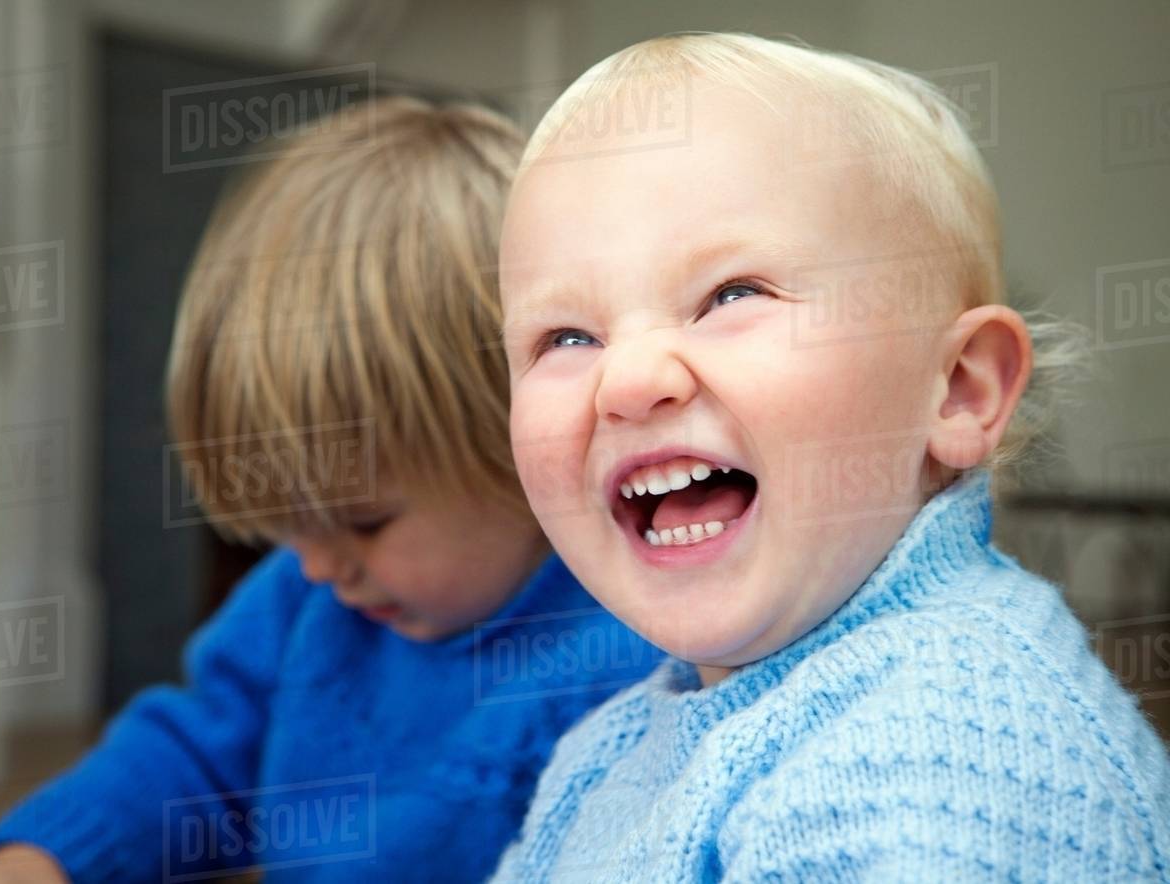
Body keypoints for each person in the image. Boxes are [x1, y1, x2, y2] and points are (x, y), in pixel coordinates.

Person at [492, 33, 1170, 881]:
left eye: (732, 295)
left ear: (958, 390)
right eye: (565, 337)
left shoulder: (934, 763)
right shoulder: (609, 749)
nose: (627, 381)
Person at [0, 96, 661, 883]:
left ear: (525, 445)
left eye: (364, 522)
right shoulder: (303, 604)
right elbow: (191, 757)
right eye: (290, 525)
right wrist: (37, 861)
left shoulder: (635, 648)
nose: (318, 565)